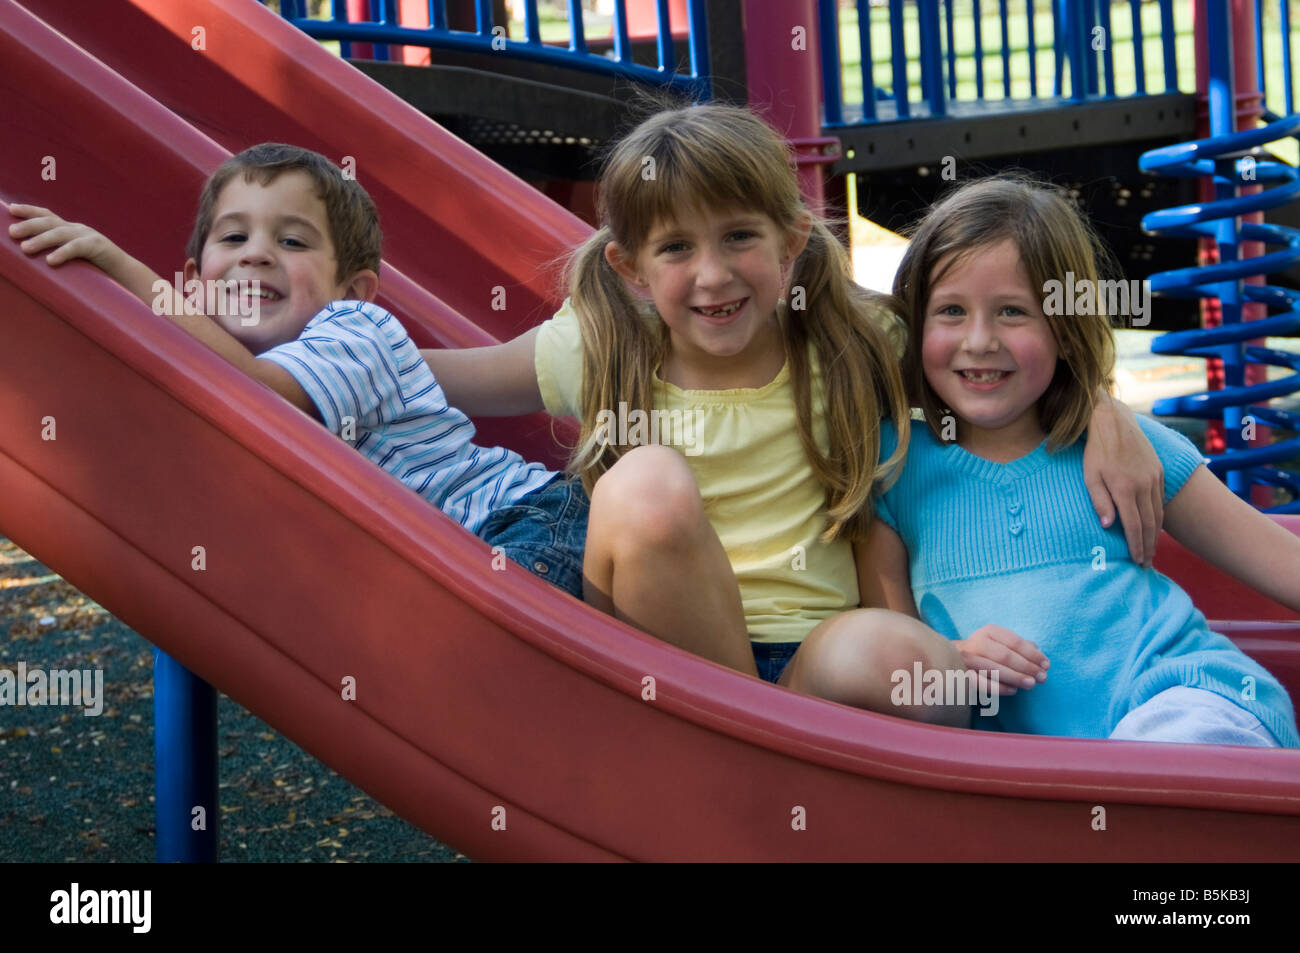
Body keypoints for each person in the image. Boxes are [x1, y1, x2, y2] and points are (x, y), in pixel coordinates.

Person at [423, 103, 1165, 725]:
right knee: (645, 482)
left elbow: (987, 359)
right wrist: (317, 361)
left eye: (739, 235)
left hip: (812, 668)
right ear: (630, 267)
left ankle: (778, 754)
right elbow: (437, 382)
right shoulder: (600, 343)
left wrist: (1102, 404)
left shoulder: (850, 337)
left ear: (792, 240)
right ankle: (736, 746)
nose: (713, 273)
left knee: (914, 663)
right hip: (660, 659)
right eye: (676, 246)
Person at [8, 143, 588, 598]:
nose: (256, 253)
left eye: (291, 241)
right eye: (234, 236)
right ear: (195, 280)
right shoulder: (209, 367)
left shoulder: (356, 331)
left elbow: (264, 394)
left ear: (351, 287)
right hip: (458, 553)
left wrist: (121, 269)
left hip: (523, 525)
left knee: (499, 661)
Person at [862, 174, 1300, 746]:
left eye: (1012, 312)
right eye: (949, 311)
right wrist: (951, 661)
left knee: (1163, 759)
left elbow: (1283, 565)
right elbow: (896, 648)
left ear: (1065, 329)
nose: (979, 340)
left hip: (1186, 699)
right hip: (1044, 779)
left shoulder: (1127, 450)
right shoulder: (892, 471)